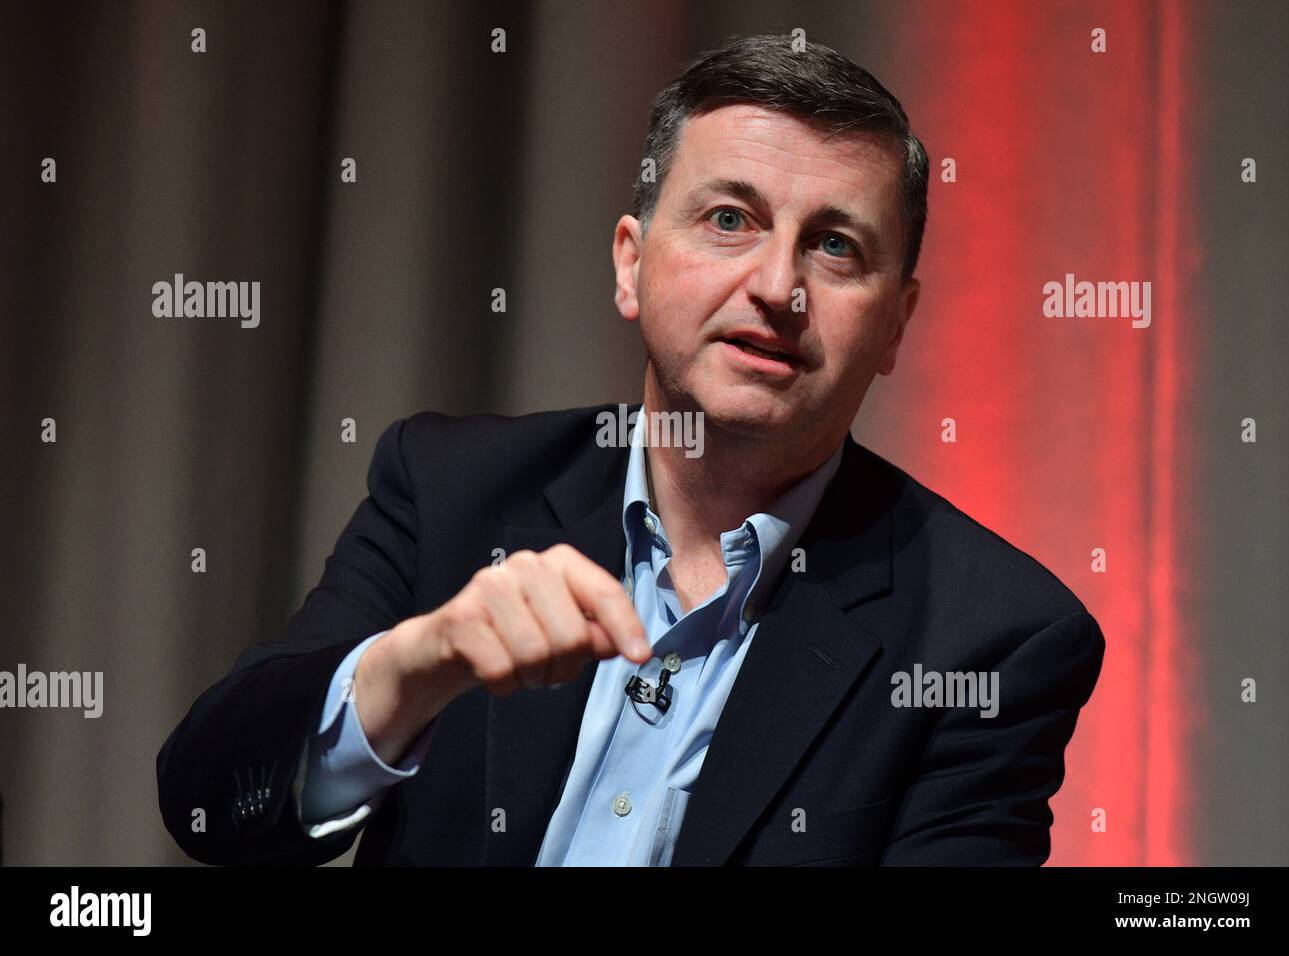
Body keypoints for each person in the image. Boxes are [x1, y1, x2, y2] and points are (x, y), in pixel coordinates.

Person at [157, 33, 1104, 867]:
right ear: (631, 261)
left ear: (897, 323)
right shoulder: (450, 489)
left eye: (835, 248)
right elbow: (208, 803)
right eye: (729, 219)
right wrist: (415, 668)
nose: (777, 286)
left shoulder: (994, 637)